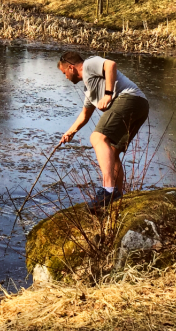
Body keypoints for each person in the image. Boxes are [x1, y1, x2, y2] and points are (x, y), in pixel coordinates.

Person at [57, 51, 150, 212]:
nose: (65, 77)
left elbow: (111, 65)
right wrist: (70, 132)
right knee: (112, 152)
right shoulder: (89, 89)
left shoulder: (89, 64)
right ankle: (117, 198)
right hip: (141, 105)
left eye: (64, 72)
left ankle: (108, 190)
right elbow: (85, 115)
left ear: (71, 67)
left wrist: (108, 95)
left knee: (97, 138)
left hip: (130, 99)